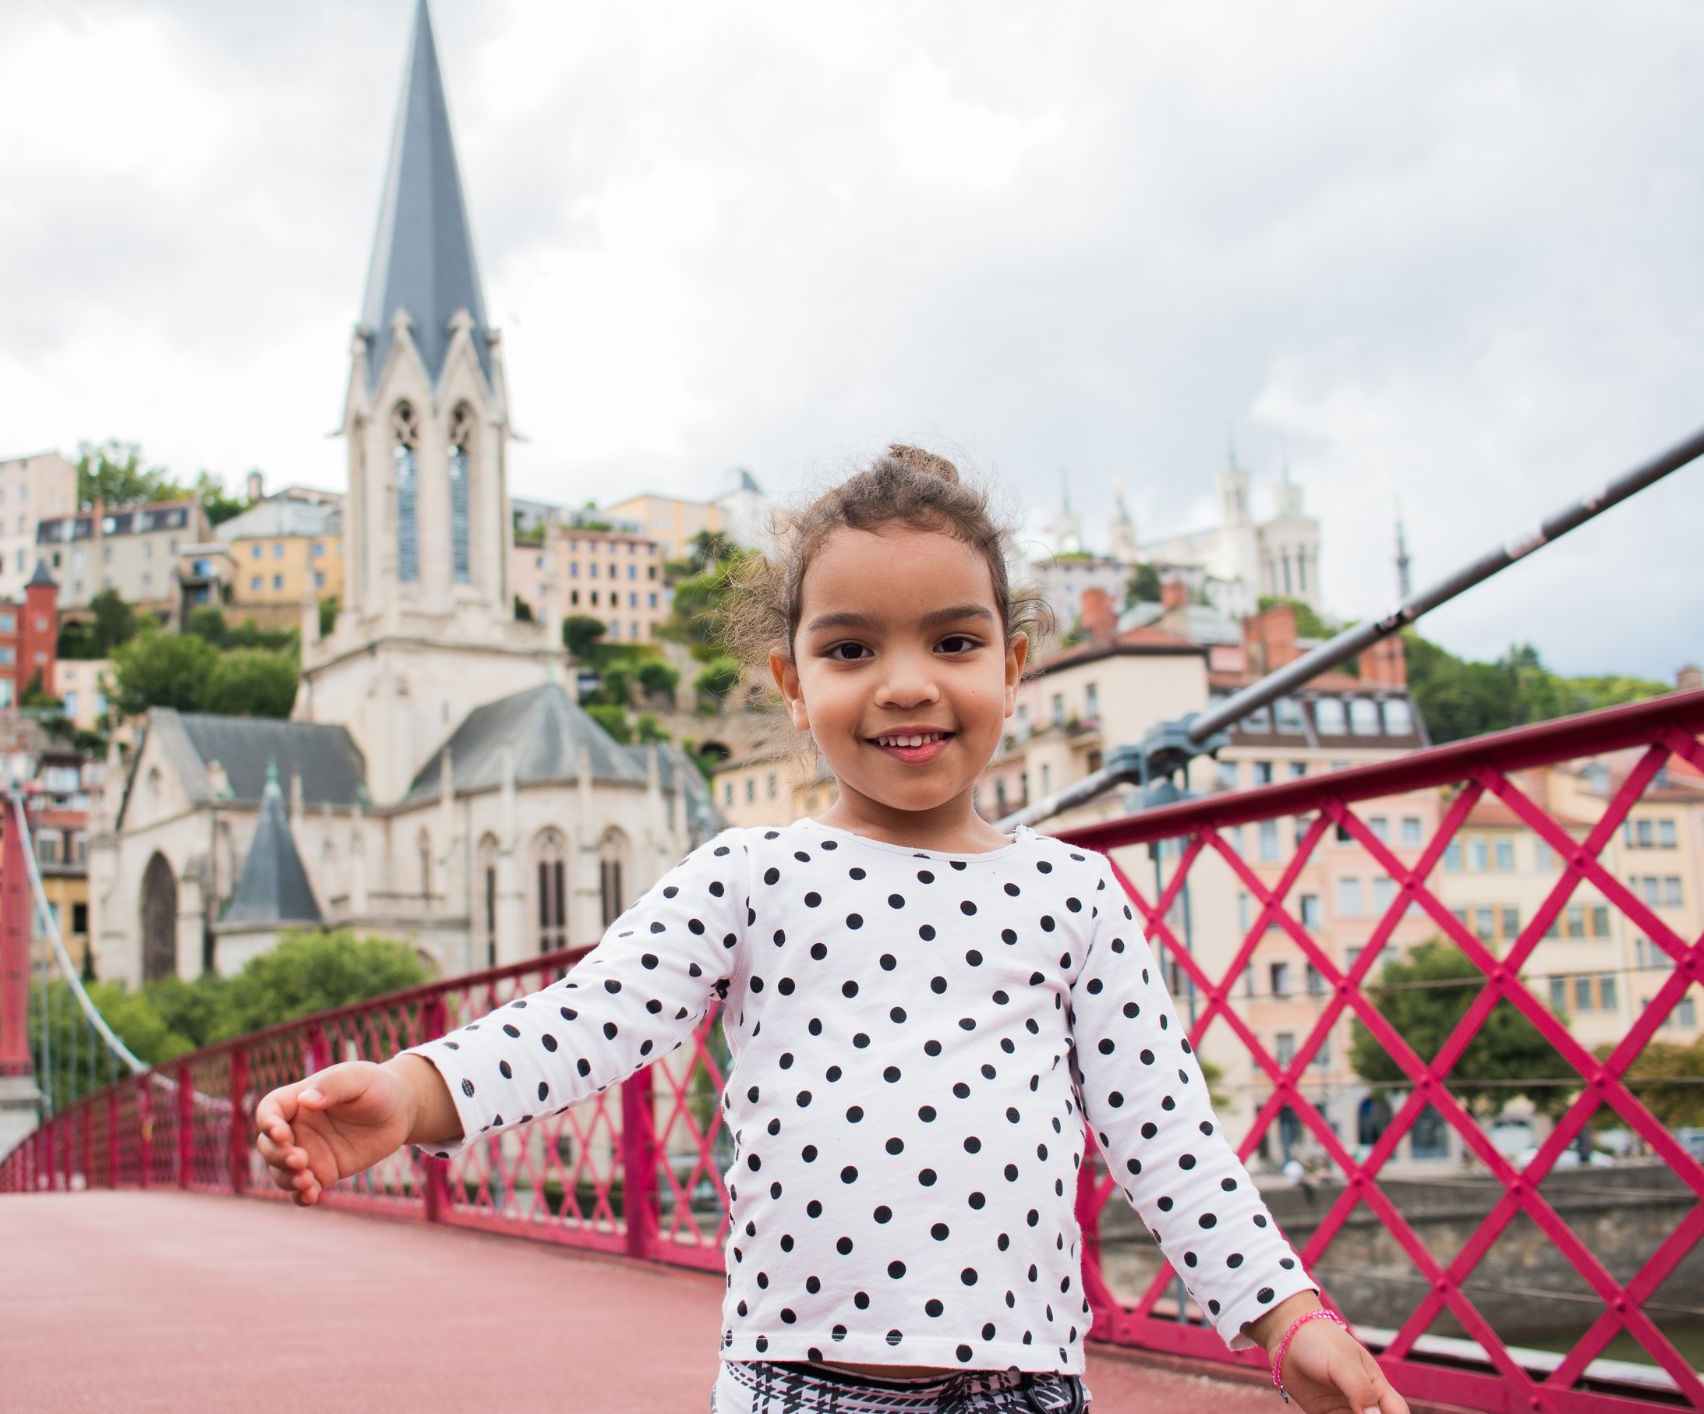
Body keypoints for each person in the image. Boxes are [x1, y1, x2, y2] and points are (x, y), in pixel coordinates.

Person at [256, 446, 1408, 1414]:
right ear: (792, 684)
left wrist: (1284, 1316)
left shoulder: (1076, 894)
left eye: (952, 644)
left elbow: (1165, 1138)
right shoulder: (751, 873)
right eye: (851, 649)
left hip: (1023, 1386)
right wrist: (413, 1096)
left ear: (1011, 667)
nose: (903, 684)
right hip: (793, 1383)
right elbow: (584, 1022)